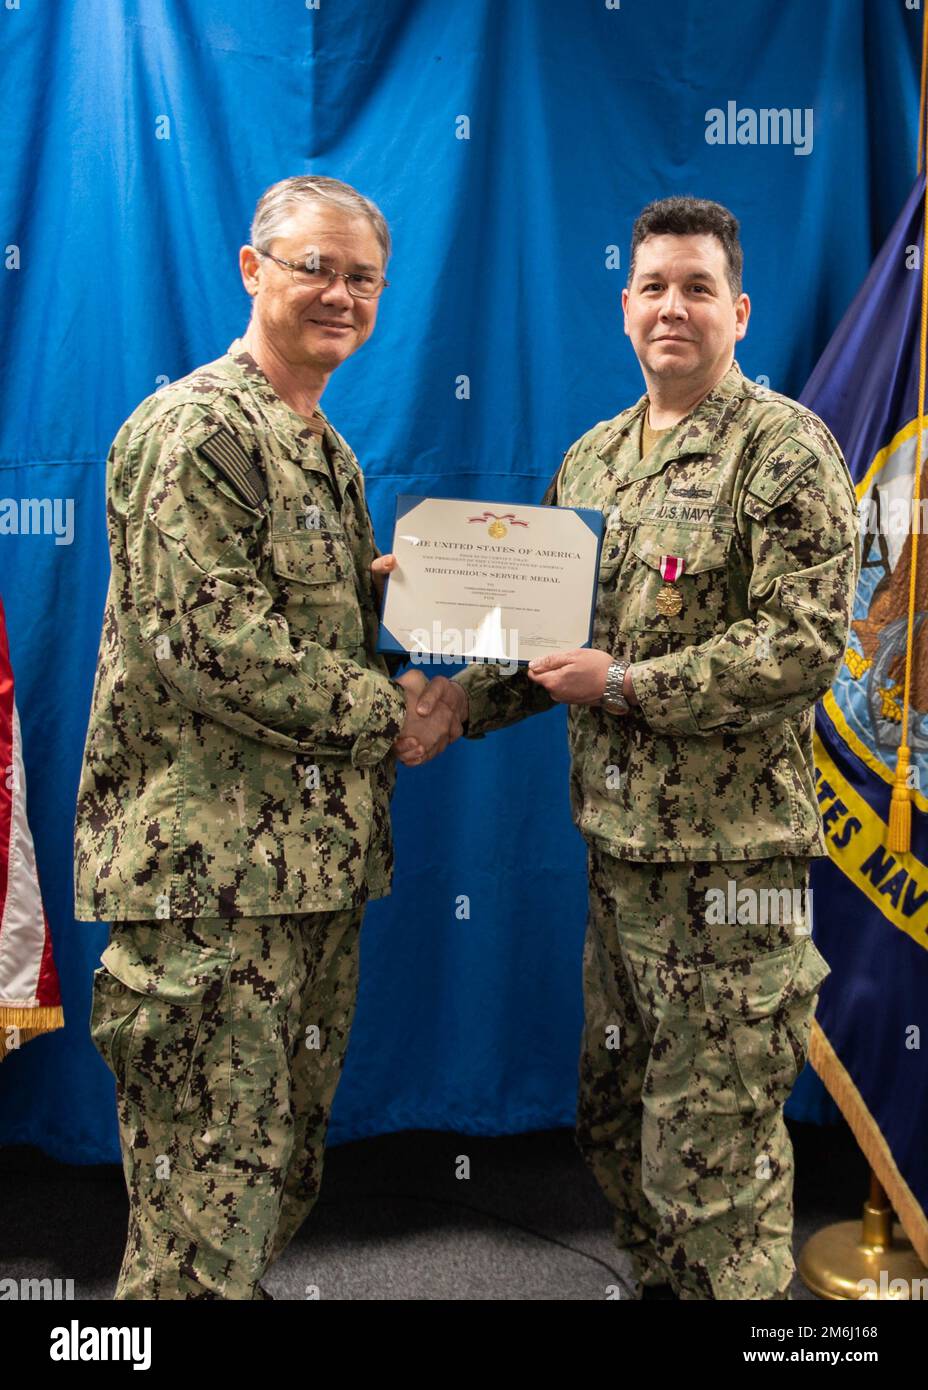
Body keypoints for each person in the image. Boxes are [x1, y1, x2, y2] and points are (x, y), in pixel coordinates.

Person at [402, 196, 860, 1300]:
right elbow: (536, 637)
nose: (673, 307)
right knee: (621, 1138)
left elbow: (798, 648)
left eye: (697, 288)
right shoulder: (594, 459)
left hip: (731, 882)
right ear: (623, 308)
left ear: (738, 309)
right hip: (618, 867)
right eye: (653, 286)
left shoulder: (786, 453)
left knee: (717, 1172)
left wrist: (629, 684)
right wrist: (455, 698)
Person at [74, 174, 459, 1299]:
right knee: (201, 1224)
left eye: (362, 278)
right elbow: (214, 646)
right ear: (253, 270)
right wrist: (401, 714)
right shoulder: (199, 428)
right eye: (314, 268)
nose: (339, 293)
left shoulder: (319, 446)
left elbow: (302, 629)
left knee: (265, 1187)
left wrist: (416, 606)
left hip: (301, 881)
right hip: (210, 894)